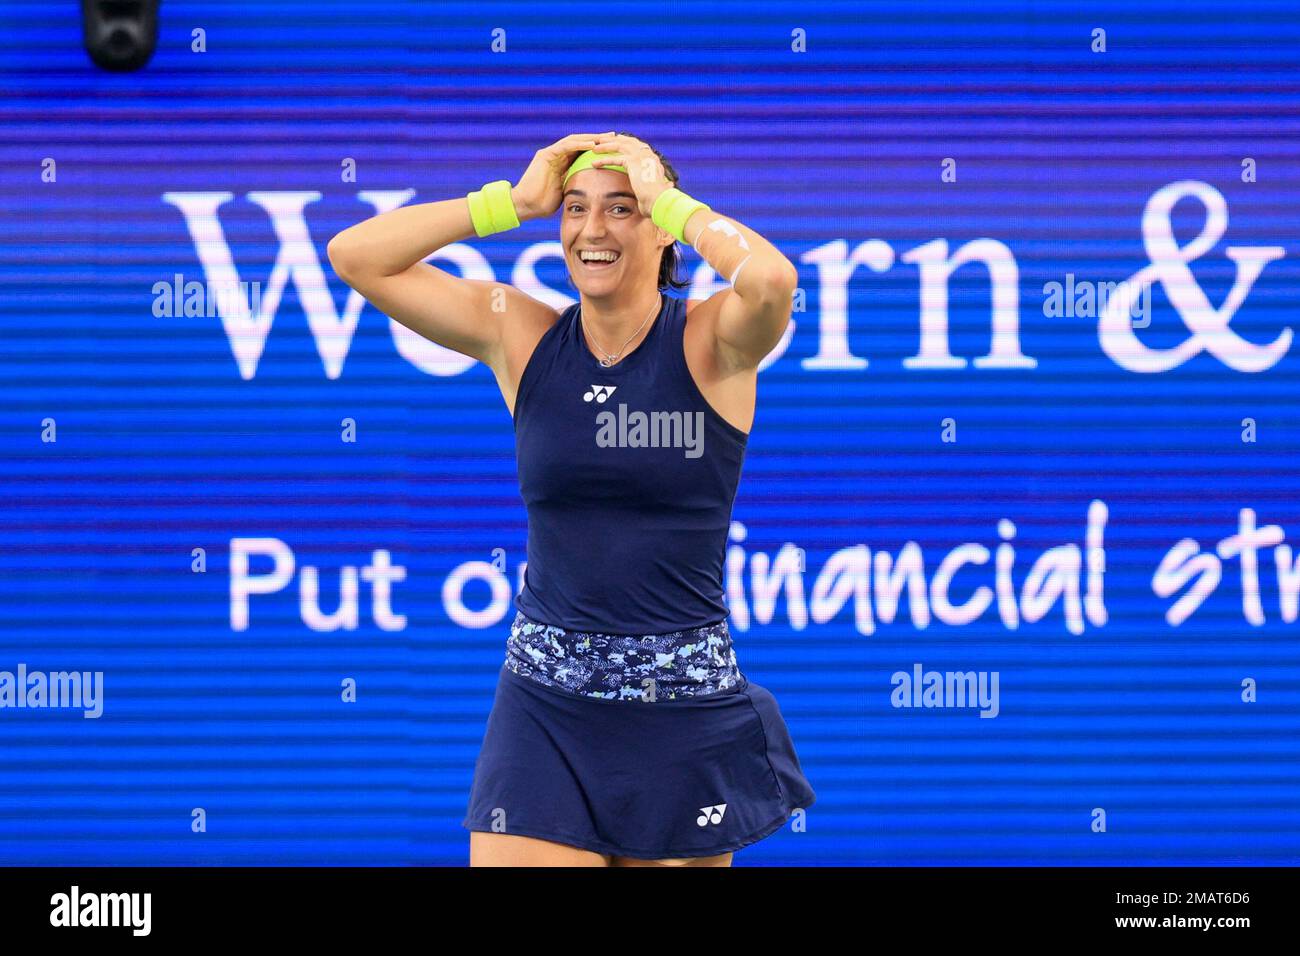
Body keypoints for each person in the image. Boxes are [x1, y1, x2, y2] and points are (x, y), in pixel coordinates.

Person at [328, 131, 815, 867]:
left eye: (623, 210)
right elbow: (355, 256)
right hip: (543, 711)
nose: (593, 230)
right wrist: (510, 203)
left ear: (661, 232)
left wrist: (671, 201)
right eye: (576, 209)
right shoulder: (518, 332)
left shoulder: (715, 341)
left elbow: (772, 282)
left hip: (681, 715)